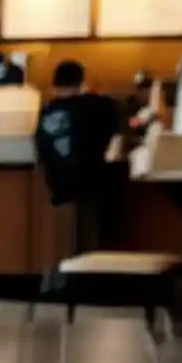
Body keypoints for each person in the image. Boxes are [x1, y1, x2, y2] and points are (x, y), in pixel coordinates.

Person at [35, 60, 121, 255]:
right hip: (91, 186)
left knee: (63, 246)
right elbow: (116, 120)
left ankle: (61, 281)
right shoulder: (95, 107)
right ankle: (86, 280)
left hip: (57, 190)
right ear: (80, 81)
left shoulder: (46, 111)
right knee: (89, 243)